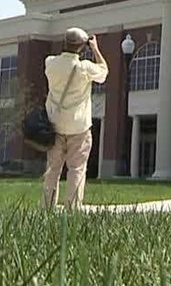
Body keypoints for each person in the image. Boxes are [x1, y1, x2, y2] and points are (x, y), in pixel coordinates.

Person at [42, 27, 108, 209]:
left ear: (64, 42)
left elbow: (57, 60)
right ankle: (72, 209)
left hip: (54, 125)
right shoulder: (84, 68)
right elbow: (103, 72)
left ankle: (47, 208)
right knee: (77, 170)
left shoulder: (50, 63)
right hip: (79, 127)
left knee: (52, 170)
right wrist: (95, 48)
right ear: (82, 47)